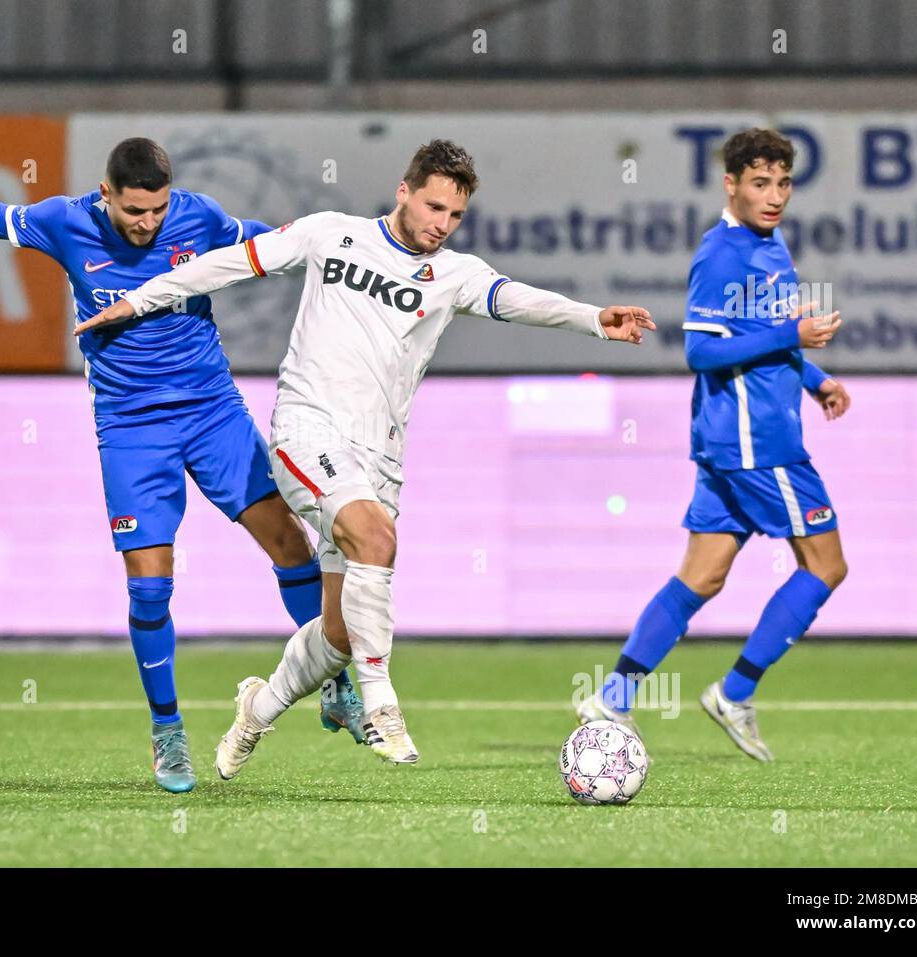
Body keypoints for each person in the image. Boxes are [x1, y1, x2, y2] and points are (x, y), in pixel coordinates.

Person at [74, 139, 655, 774]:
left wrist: (597, 320)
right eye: (433, 206)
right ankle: (381, 706)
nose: (441, 224)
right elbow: (225, 265)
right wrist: (140, 299)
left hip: (378, 457)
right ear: (403, 191)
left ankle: (257, 710)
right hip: (306, 432)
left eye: (454, 216)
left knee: (339, 633)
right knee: (375, 540)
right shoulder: (331, 235)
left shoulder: (455, 275)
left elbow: (520, 300)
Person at [0, 128, 364, 794]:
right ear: (106, 196)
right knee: (150, 585)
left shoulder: (199, 217)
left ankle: (332, 680)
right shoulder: (64, 223)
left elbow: (271, 242)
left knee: (294, 547)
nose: (147, 224)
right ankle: (168, 730)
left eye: (156, 211)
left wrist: (335, 251)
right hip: (131, 429)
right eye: (133, 213)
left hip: (212, 412)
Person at [576, 128, 851, 761]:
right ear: (730, 184)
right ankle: (735, 691)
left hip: (732, 441)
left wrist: (814, 380)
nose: (775, 195)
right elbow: (701, 350)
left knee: (702, 575)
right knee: (826, 566)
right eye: (760, 183)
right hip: (760, 447)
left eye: (783, 183)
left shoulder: (771, 243)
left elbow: (759, 339)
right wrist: (794, 332)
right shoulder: (723, 255)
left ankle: (613, 698)